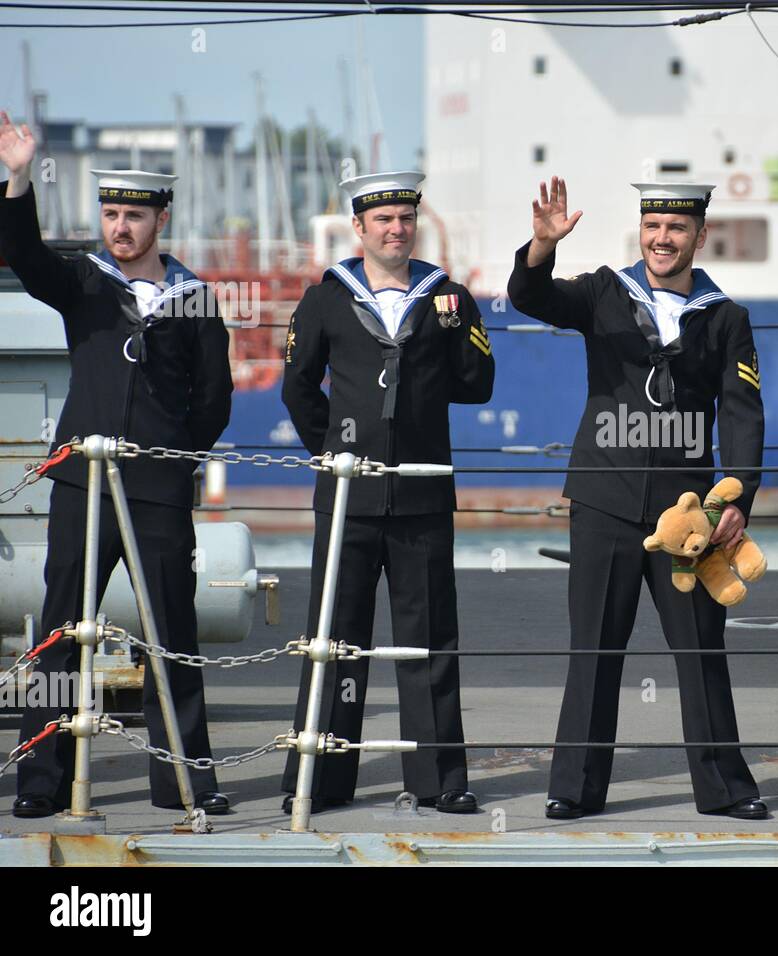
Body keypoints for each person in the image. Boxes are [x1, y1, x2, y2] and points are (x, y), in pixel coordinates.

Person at [508, 177, 768, 820]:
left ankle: (725, 788)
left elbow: (742, 412)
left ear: (699, 236)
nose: (662, 239)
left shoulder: (726, 317)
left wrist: (738, 496)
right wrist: (542, 246)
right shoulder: (602, 292)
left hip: (690, 515)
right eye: (653, 227)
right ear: (642, 230)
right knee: (594, 648)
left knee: (702, 649)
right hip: (603, 502)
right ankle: (574, 787)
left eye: (677, 229)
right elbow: (529, 296)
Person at [0, 111, 233, 818]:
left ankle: (186, 782)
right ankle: (41, 781)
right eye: (110, 213)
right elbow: (23, 254)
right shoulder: (84, 285)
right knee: (62, 634)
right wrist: (16, 176)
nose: (119, 226)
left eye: (133, 214)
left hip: (157, 490)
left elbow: (214, 401)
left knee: (172, 637)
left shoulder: (194, 298)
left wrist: (169, 459)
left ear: (161, 218)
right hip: (82, 483)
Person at [279, 171, 494, 814]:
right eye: (382, 220)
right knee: (334, 639)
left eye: (404, 218)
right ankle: (319, 777)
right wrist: (335, 455)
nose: (395, 229)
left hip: (422, 498)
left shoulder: (447, 298)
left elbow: (478, 383)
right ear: (360, 228)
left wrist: (457, 330)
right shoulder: (326, 299)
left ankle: (439, 781)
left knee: (427, 641)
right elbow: (298, 386)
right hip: (348, 500)